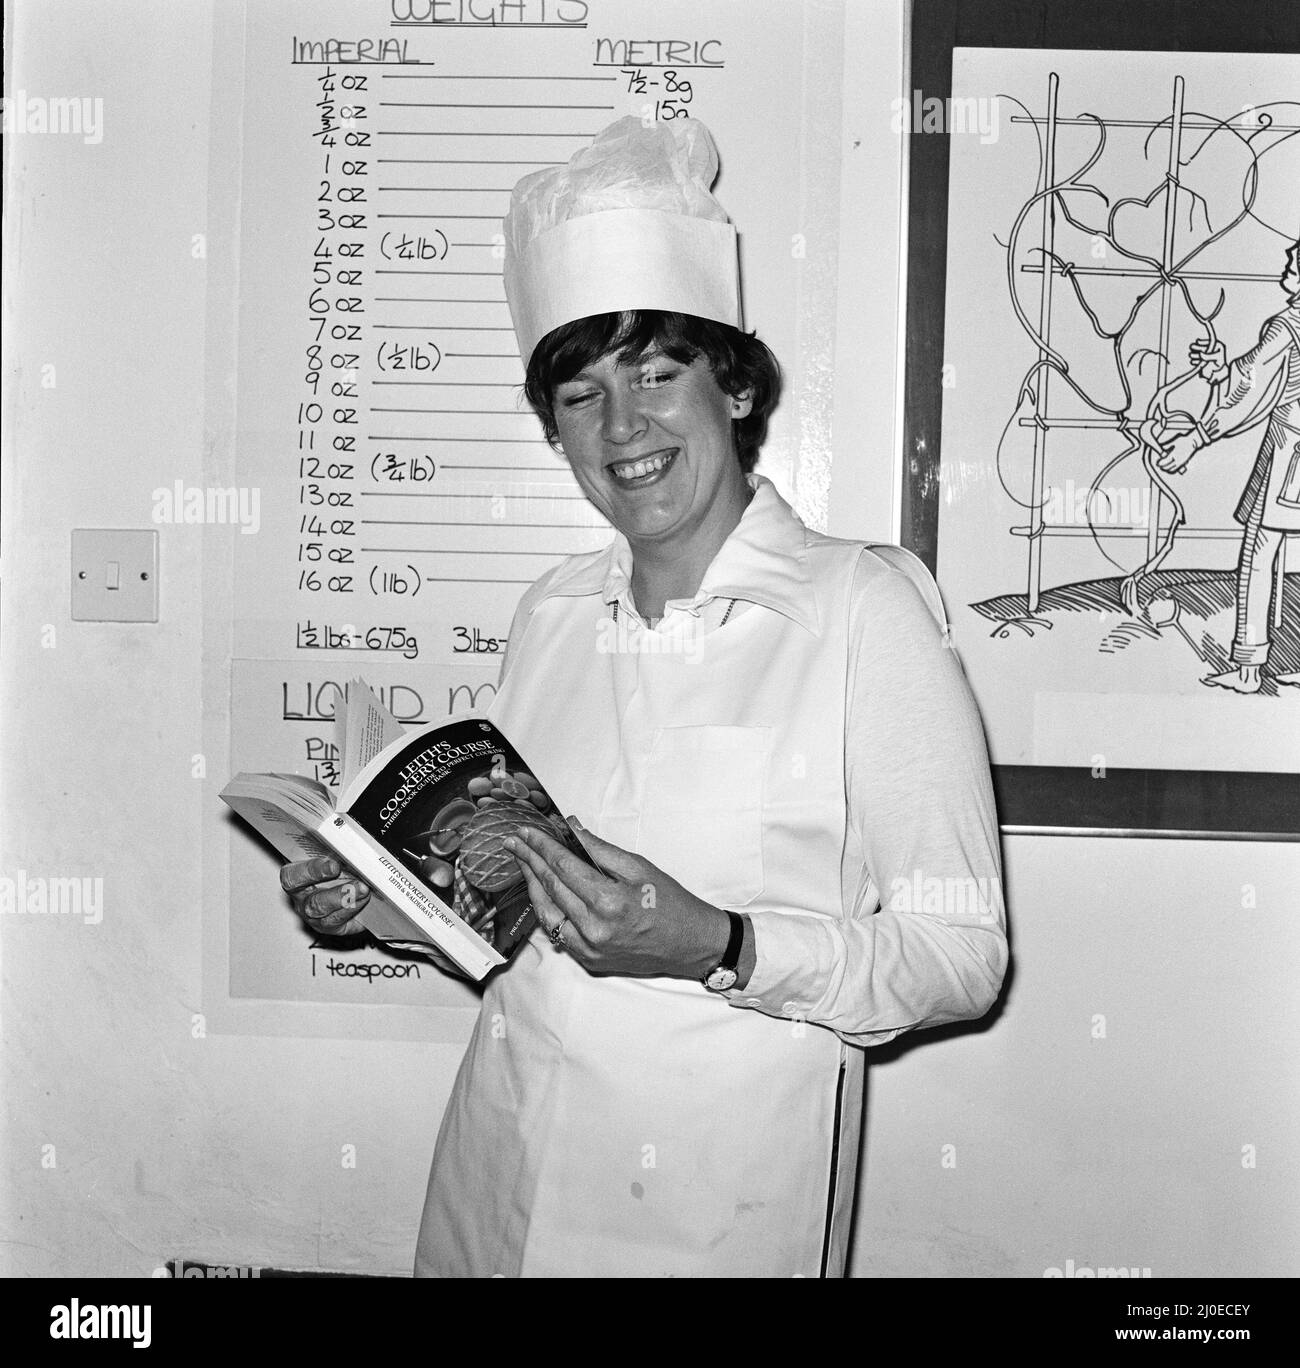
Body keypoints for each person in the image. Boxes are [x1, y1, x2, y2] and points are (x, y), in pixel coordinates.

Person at [281, 116, 1008, 1277]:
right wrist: (376, 901)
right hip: (496, 1178)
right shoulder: (552, 614)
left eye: (656, 374)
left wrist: (715, 944)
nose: (623, 428)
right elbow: (510, 905)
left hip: (711, 1211)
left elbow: (961, 956)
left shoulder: (864, 613)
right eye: (580, 395)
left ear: (730, 384)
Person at [1152, 238, 1300, 693]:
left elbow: (1249, 390)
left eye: (1295, 264)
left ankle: (1249, 669)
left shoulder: (1288, 325)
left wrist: (1195, 437)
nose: (1287, 267)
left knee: (1259, 553)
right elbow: (1249, 373)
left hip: (1289, 454)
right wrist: (1221, 370)